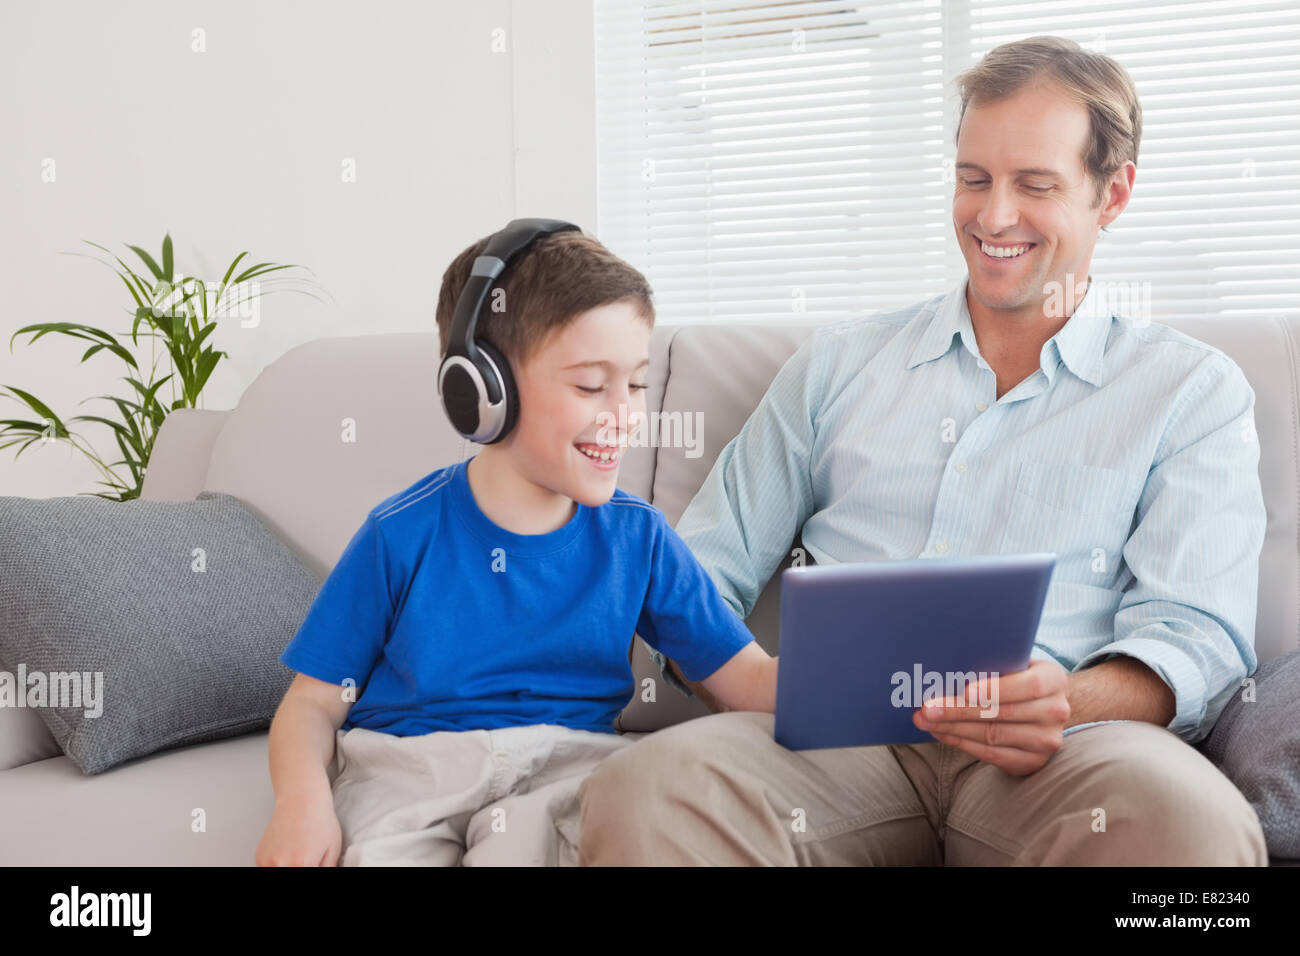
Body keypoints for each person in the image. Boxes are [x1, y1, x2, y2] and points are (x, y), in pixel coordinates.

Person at [577, 35, 1270, 866]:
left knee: (1193, 823)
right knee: (645, 791)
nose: (993, 215)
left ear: (1112, 194)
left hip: (1065, 750)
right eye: (973, 178)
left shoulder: (1190, 390)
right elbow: (695, 572)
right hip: (831, 753)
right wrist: (765, 685)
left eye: (1035, 184)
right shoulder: (839, 364)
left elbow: (1195, 632)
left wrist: (1067, 697)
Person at [254, 227, 777, 866]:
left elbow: (746, 678)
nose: (625, 414)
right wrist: (301, 804)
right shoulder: (401, 533)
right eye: (590, 386)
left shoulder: (638, 539)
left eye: (636, 385)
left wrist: (874, 676)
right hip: (409, 776)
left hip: (568, 771)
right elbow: (310, 703)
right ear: (481, 391)